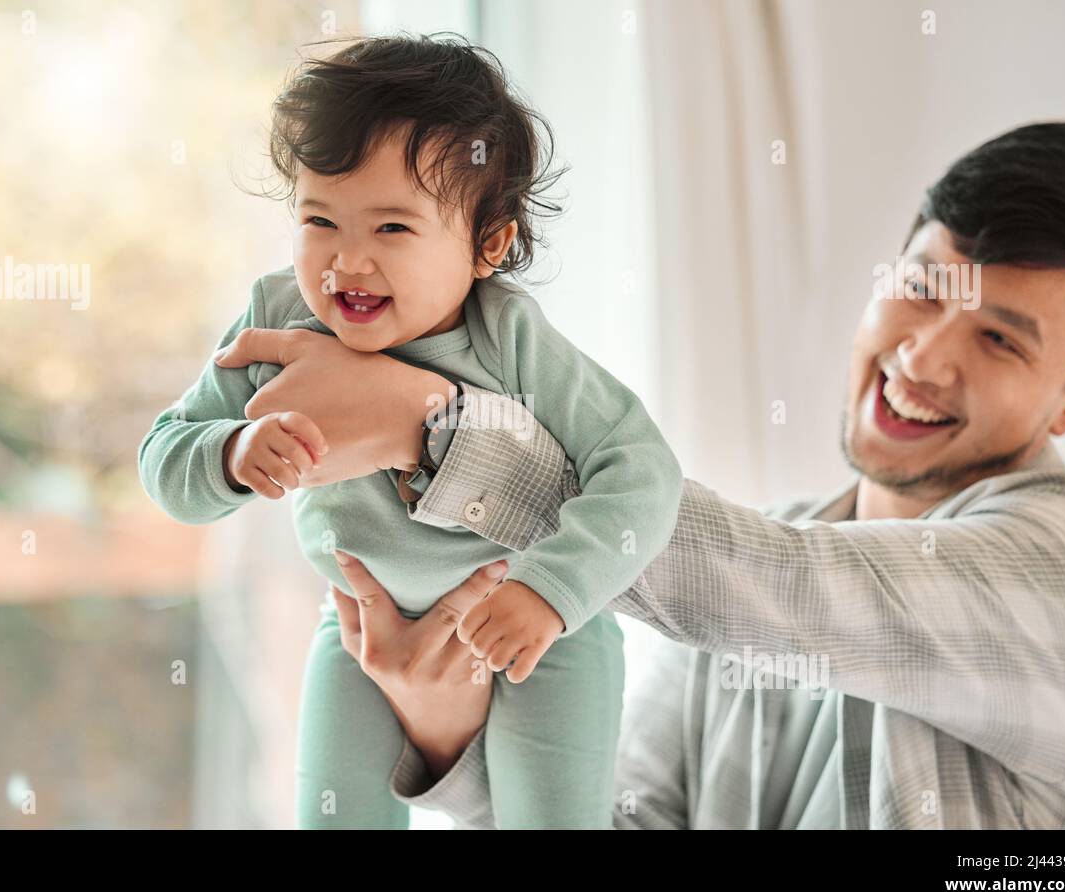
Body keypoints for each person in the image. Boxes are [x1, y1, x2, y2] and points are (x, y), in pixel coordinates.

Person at [212, 122, 1065, 828]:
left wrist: (431, 425)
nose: (922, 358)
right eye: (922, 290)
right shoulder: (719, 589)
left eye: (1000, 339)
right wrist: (441, 719)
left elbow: (787, 590)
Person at [138, 34, 683, 828]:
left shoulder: (510, 337)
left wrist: (554, 592)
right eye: (320, 219)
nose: (347, 262)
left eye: (391, 229)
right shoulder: (276, 319)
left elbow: (640, 468)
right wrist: (228, 453)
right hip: (359, 625)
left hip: (542, 636)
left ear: (488, 243)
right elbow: (163, 460)